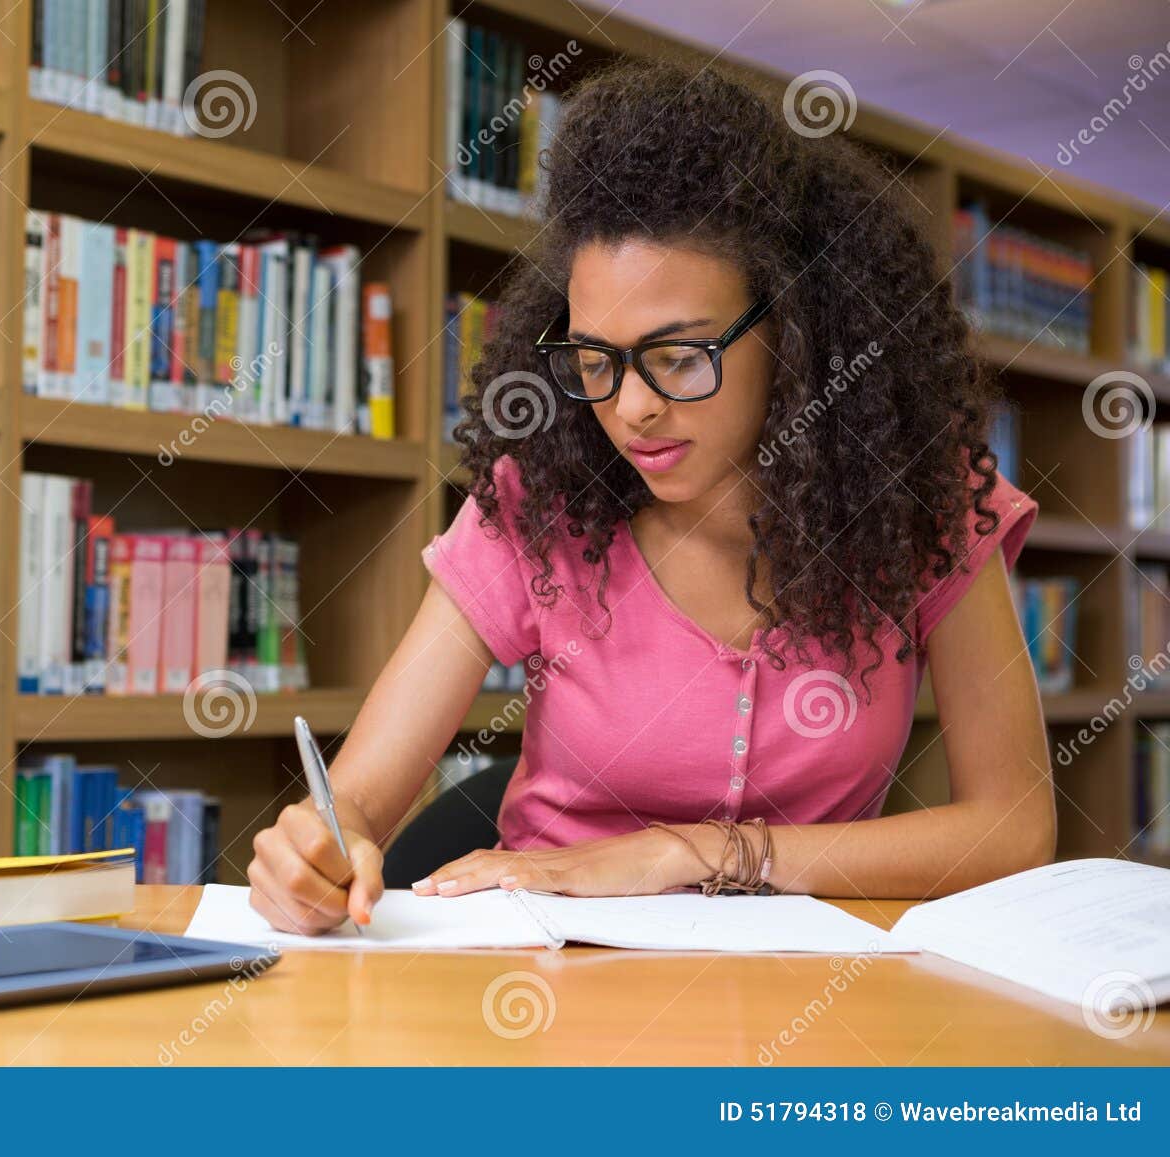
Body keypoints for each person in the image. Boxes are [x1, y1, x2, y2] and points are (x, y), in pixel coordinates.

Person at [247, 59, 1054, 935]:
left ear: (795, 333)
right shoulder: (538, 503)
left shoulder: (926, 508)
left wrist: (694, 850)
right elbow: (359, 796)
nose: (631, 407)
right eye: (596, 359)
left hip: (805, 992)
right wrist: (319, 846)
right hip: (548, 977)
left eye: (676, 356)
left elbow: (1013, 826)